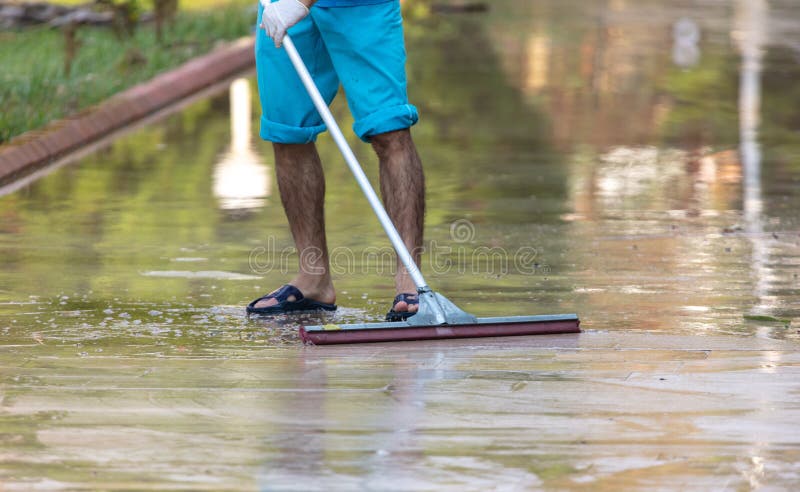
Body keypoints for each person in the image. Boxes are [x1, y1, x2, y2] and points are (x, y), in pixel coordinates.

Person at [246, 0, 424, 321]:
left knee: (389, 130)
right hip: (279, 7)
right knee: (288, 134)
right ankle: (313, 278)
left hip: (361, 7)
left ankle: (410, 279)